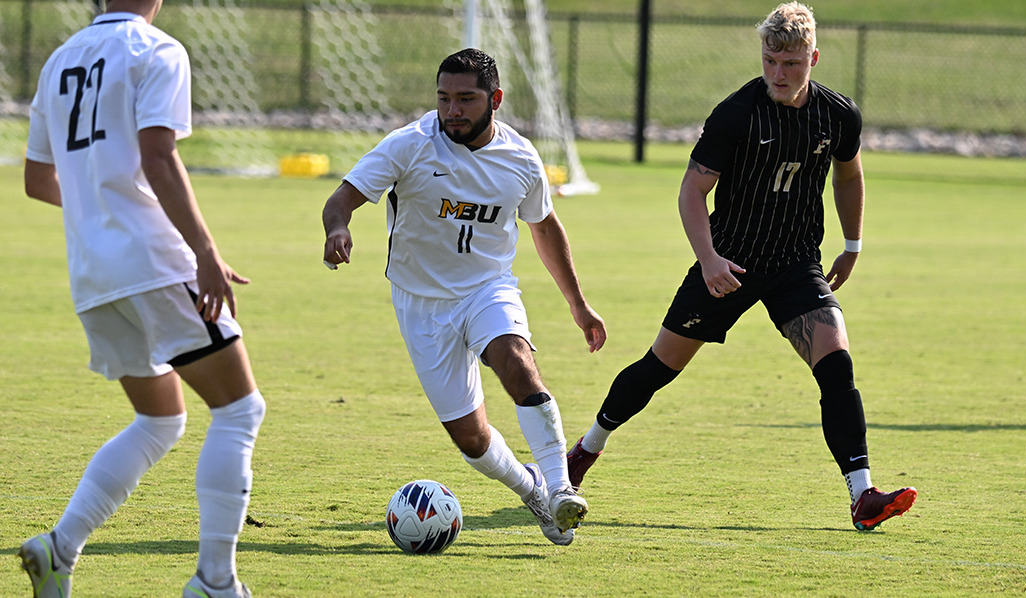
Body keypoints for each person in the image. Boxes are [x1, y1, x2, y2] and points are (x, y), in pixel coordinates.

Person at [566, 2, 916, 531]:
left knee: (837, 363)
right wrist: (708, 260)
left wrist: (853, 242)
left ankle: (862, 496)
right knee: (658, 368)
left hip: (798, 264)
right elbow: (691, 192)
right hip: (730, 261)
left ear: (813, 58)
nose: (779, 73)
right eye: (770, 60)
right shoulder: (736, 114)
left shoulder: (838, 116)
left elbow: (848, 176)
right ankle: (585, 451)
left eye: (791, 63)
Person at [19, 0, 264, 596]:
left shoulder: (59, 60)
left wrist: (99, 210)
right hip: (152, 262)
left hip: (93, 275)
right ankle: (214, 581)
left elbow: (37, 179)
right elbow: (157, 154)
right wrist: (205, 251)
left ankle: (59, 549)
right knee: (238, 410)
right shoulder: (157, 50)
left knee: (159, 419)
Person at [322, 48, 606, 546]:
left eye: (466, 99)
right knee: (472, 440)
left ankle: (562, 490)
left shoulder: (520, 158)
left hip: (487, 288)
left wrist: (578, 304)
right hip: (421, 303)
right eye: (444, 98)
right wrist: (337, 229)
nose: (452, 110)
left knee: (516, 360)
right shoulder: (408, 145)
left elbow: (544, 228)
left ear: (494, 99)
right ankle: (531, 488)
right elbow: (341, 199)